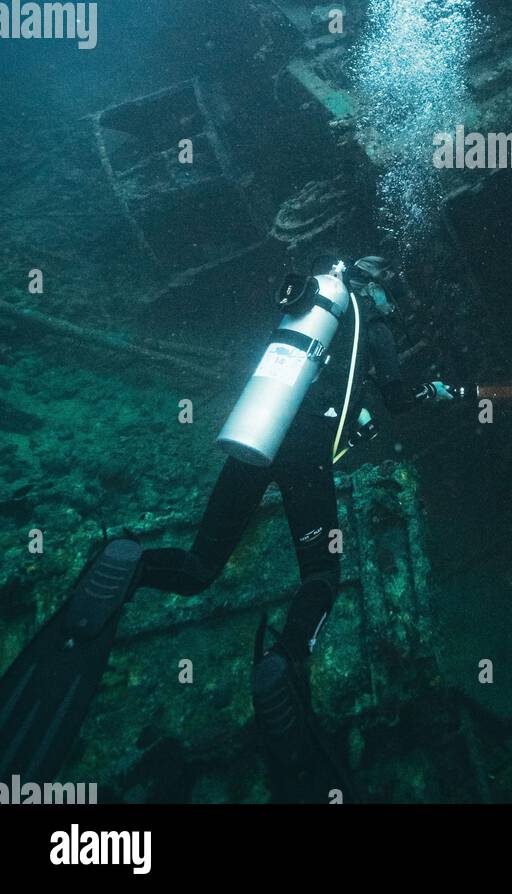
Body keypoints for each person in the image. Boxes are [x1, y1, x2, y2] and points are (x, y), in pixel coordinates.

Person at [0, 255, 464, 796]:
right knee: (321, 575)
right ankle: (283, 662)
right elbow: (398, 399)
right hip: (303, 452)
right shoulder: (374, 326)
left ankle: (128, 566)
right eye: (396, 297)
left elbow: (320, 386)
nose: (395, 308)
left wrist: (350, 419)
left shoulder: (314, 310)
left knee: (201, 565)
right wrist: (440, 391)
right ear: (382, 289)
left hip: (256, 433)